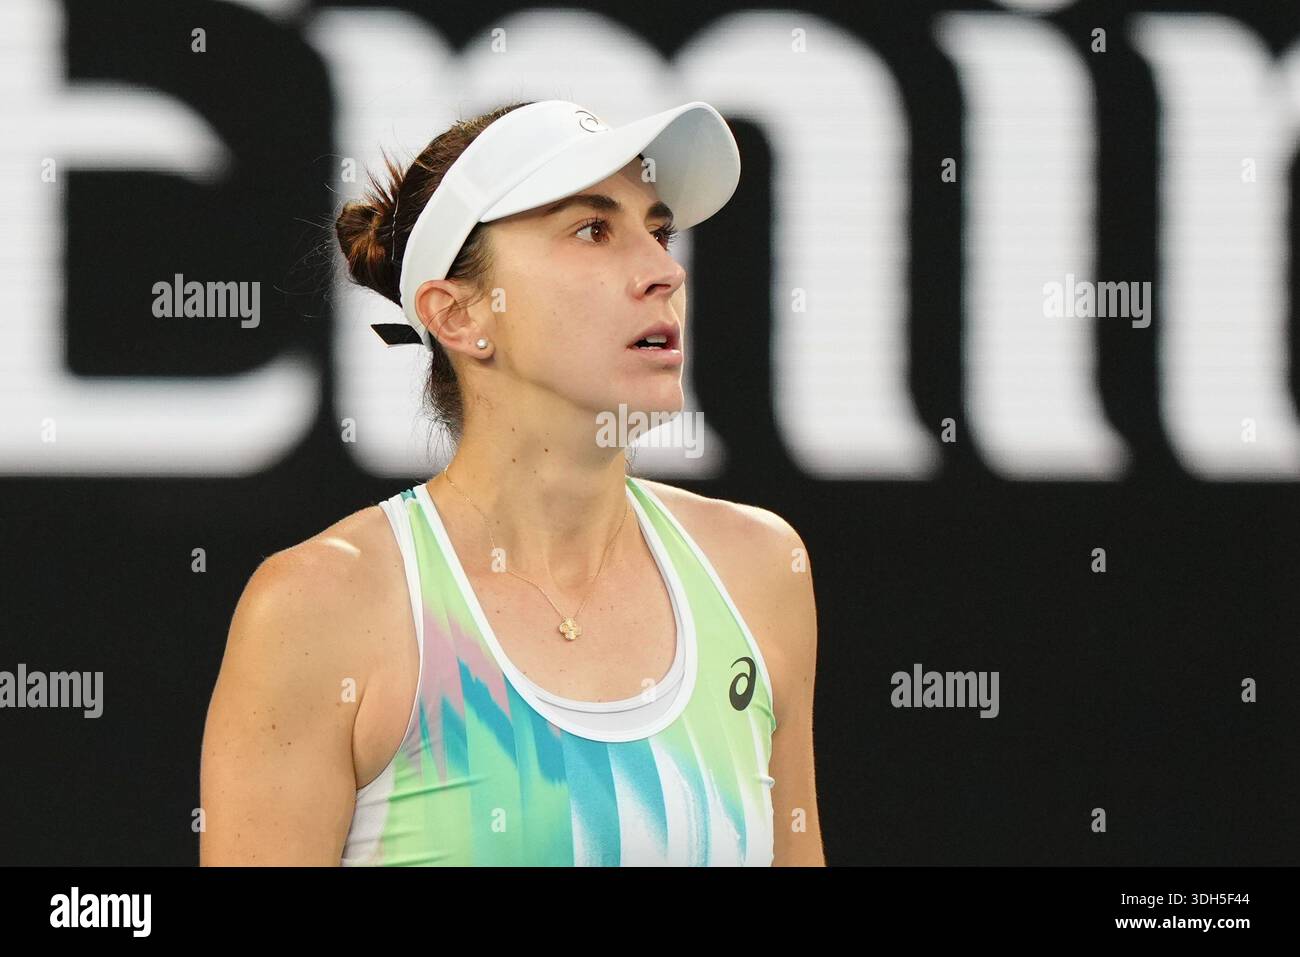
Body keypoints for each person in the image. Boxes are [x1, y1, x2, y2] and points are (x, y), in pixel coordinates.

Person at [199, 99, 824, 866]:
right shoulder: (316, 609)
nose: (665, 271)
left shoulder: (761, 569)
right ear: (459, 317)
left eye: (658, 231)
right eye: (593, 230)